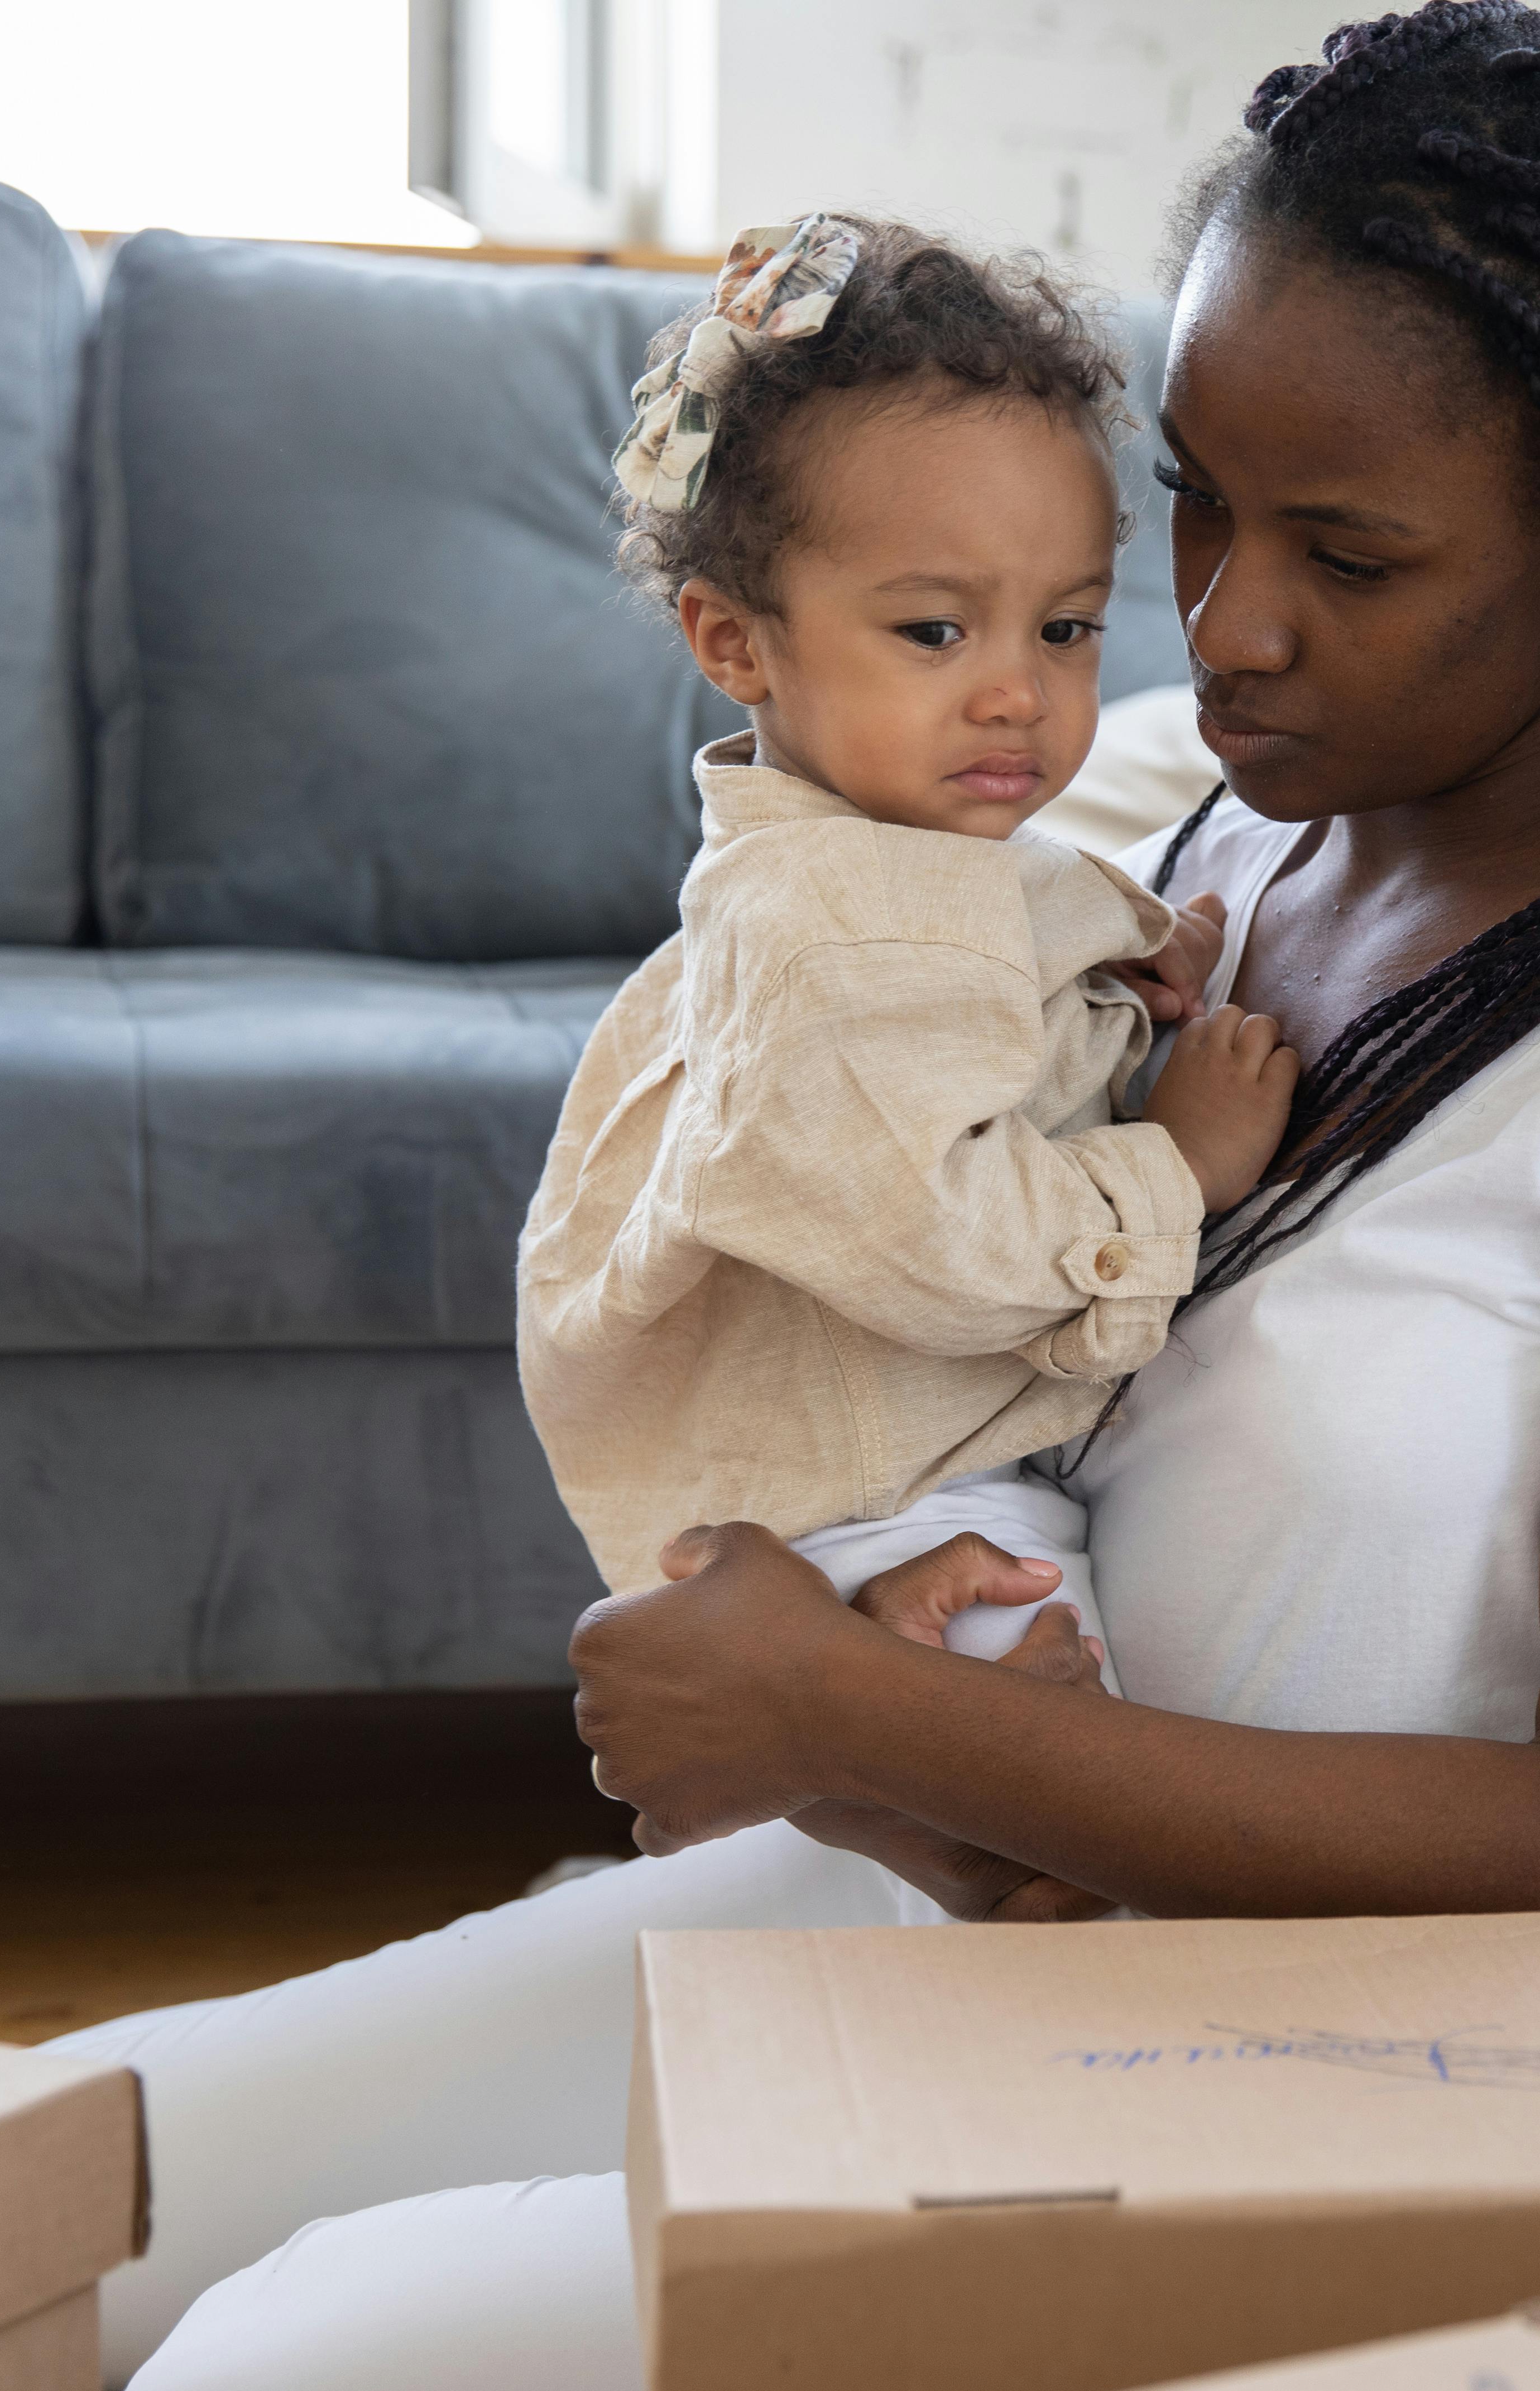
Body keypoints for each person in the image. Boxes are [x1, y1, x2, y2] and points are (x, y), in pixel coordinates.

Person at [69, 10, 1540, 2391]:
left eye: (1353, 553)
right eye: (1194, 507)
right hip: (916, 1893)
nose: (1230, 625)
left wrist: (864, 1724)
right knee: (42, 2194)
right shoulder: (1215, 838)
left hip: (1279, 2073)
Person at [518, 210, 1297, 1684]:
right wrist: (1173, 1166)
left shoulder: (901, 862)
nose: (1016, 693)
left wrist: (1126, 951)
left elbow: (997, 952)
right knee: (1059, 1759)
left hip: (918, 1469)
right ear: (736, 643)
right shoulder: (832, 931)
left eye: (1065, 631)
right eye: (937, 633)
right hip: (863, 1508)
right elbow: (935, 1243)